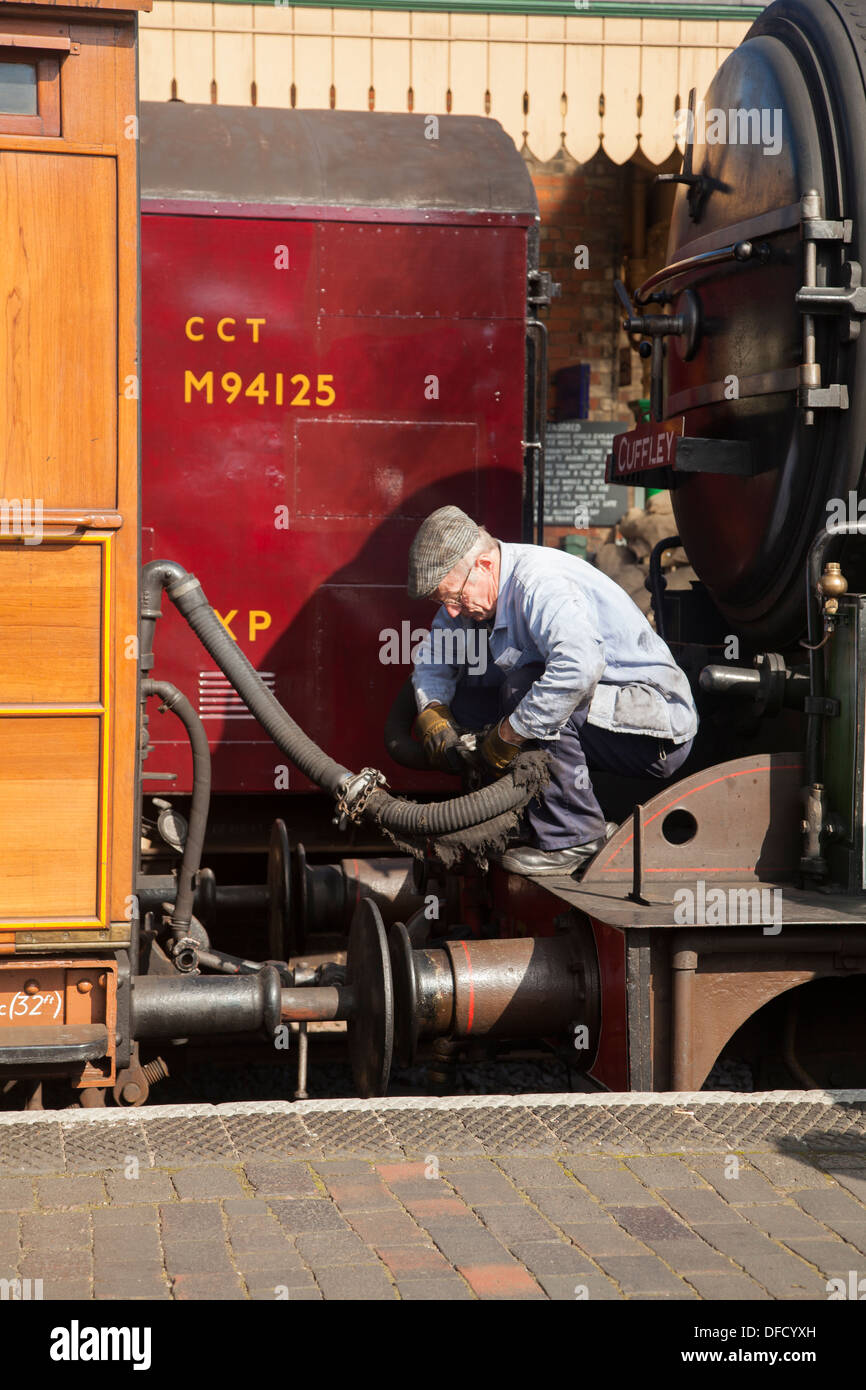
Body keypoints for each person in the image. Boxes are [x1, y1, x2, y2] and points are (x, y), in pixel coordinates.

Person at [407, 505, 698, 876]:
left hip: (653, 730)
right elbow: (435, 659)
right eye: (442, 601)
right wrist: (433, 710)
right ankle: (521, 815)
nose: (450, 611)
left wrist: (508, 734)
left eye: (455, 597)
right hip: (598, 716)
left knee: (521, 688)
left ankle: (577, 837)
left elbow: (579, 668)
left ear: (483, 565)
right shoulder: (471, 594)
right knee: (467, 702)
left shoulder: (537, 582)